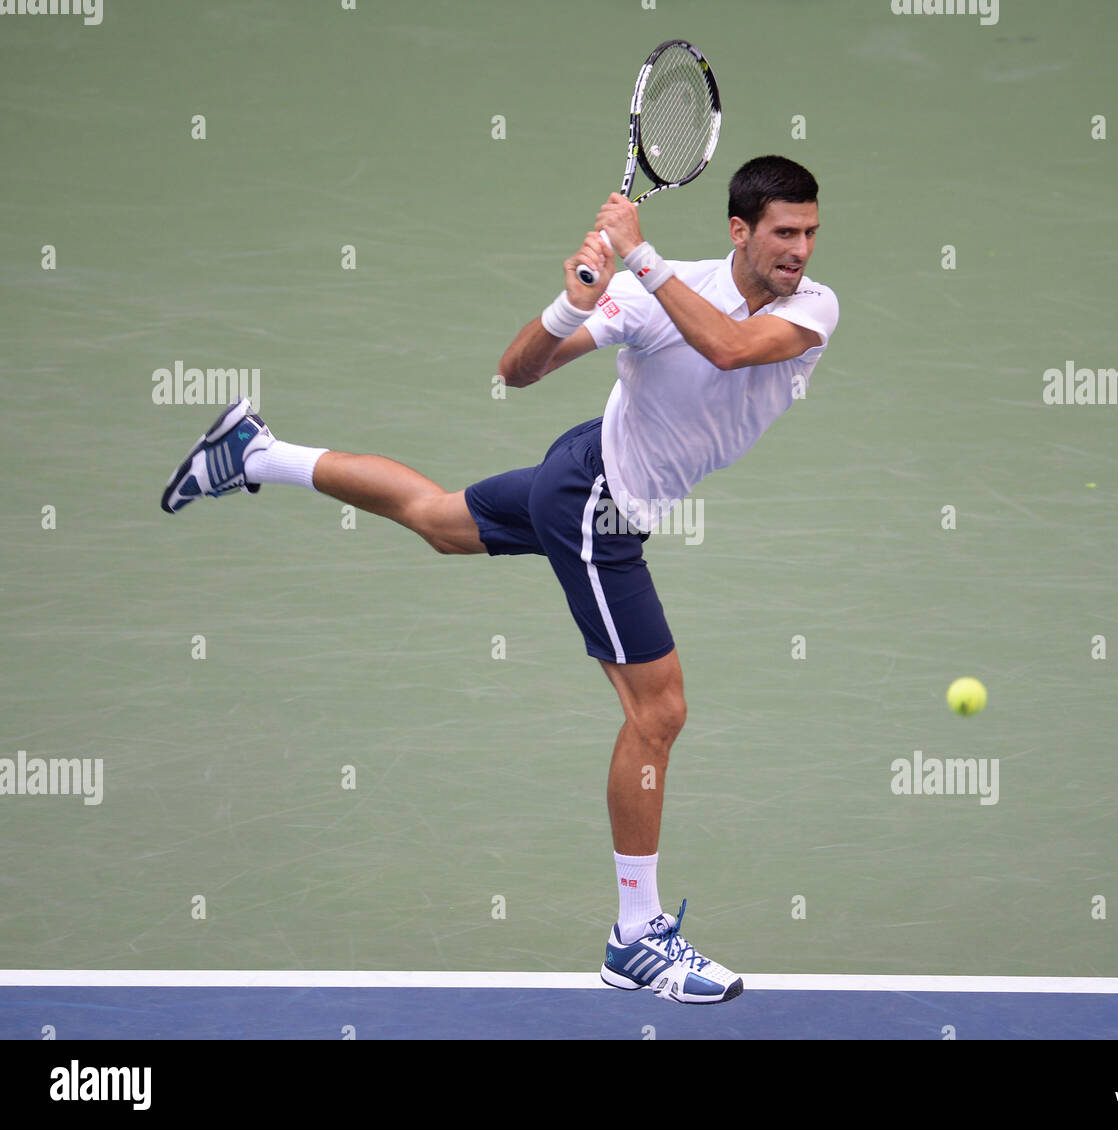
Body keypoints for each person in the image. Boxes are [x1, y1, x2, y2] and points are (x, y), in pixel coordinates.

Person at [161, 155, 838, 1005]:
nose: (800, 250)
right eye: (784, 232)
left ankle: (254, 453)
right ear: (739, 230)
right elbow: (517, 372)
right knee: (658, 712)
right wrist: (572, 304)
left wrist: (639, 259)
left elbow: (733, 347)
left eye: (810, 232)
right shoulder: (653, 294)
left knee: (442, 523)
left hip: (583, 472)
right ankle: (637, 937)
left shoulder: (811, 307)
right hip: (600, 505)